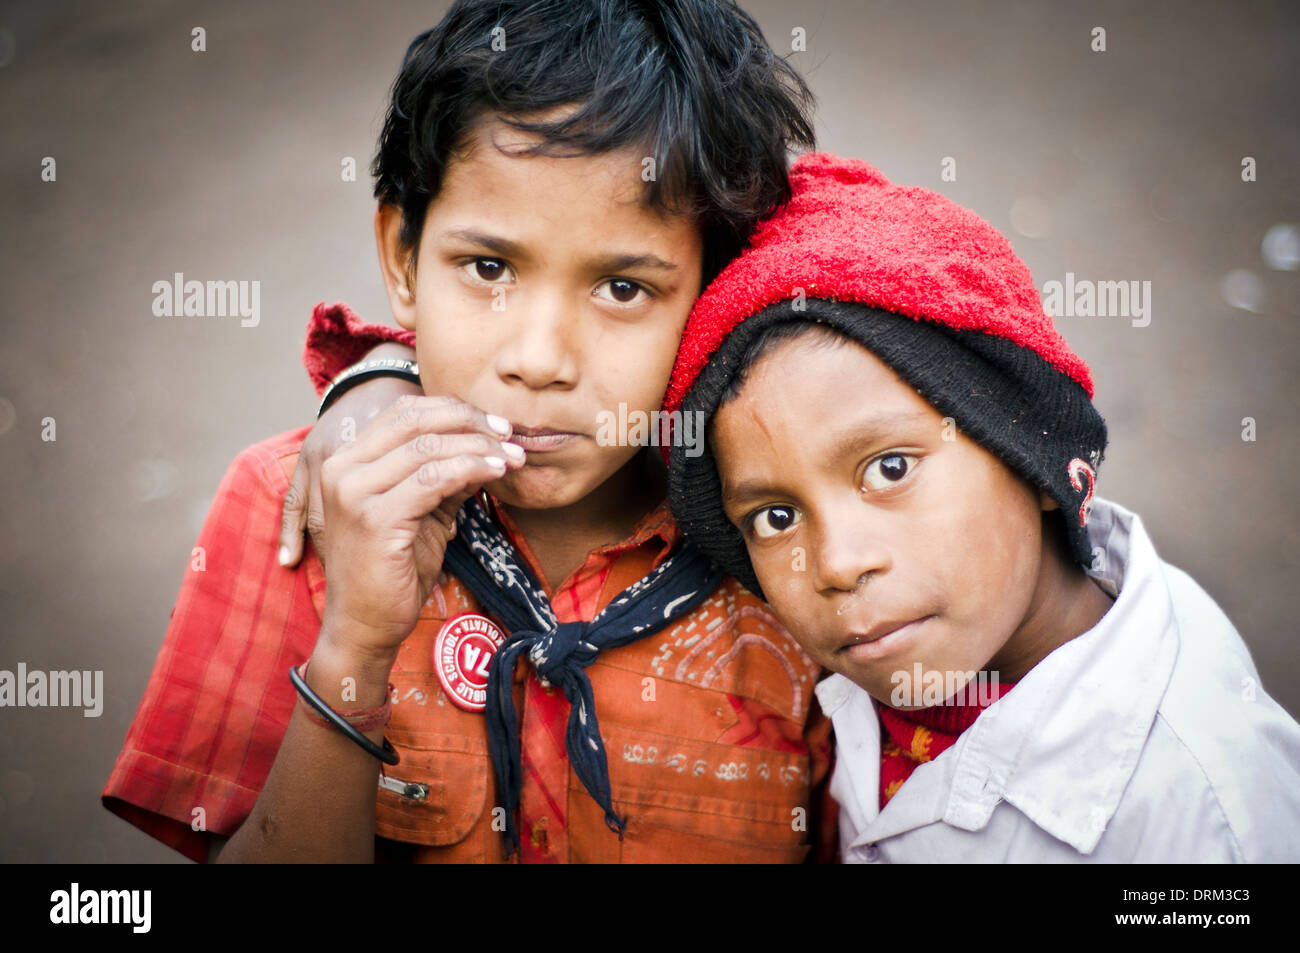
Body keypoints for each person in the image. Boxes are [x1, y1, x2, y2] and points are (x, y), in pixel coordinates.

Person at [101, 0, 837, 863]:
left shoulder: (802, 542)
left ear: (717, 288)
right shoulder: (294, 511)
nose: (539, 360)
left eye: (624, 288)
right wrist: (354, 650)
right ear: (402, 260)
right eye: (488, 268)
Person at [657, 151, 1300, 862]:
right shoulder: (862, 663)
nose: (836, 563)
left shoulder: (1200, 817)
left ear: (1030, 451)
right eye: (775, 517)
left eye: (890, 468)